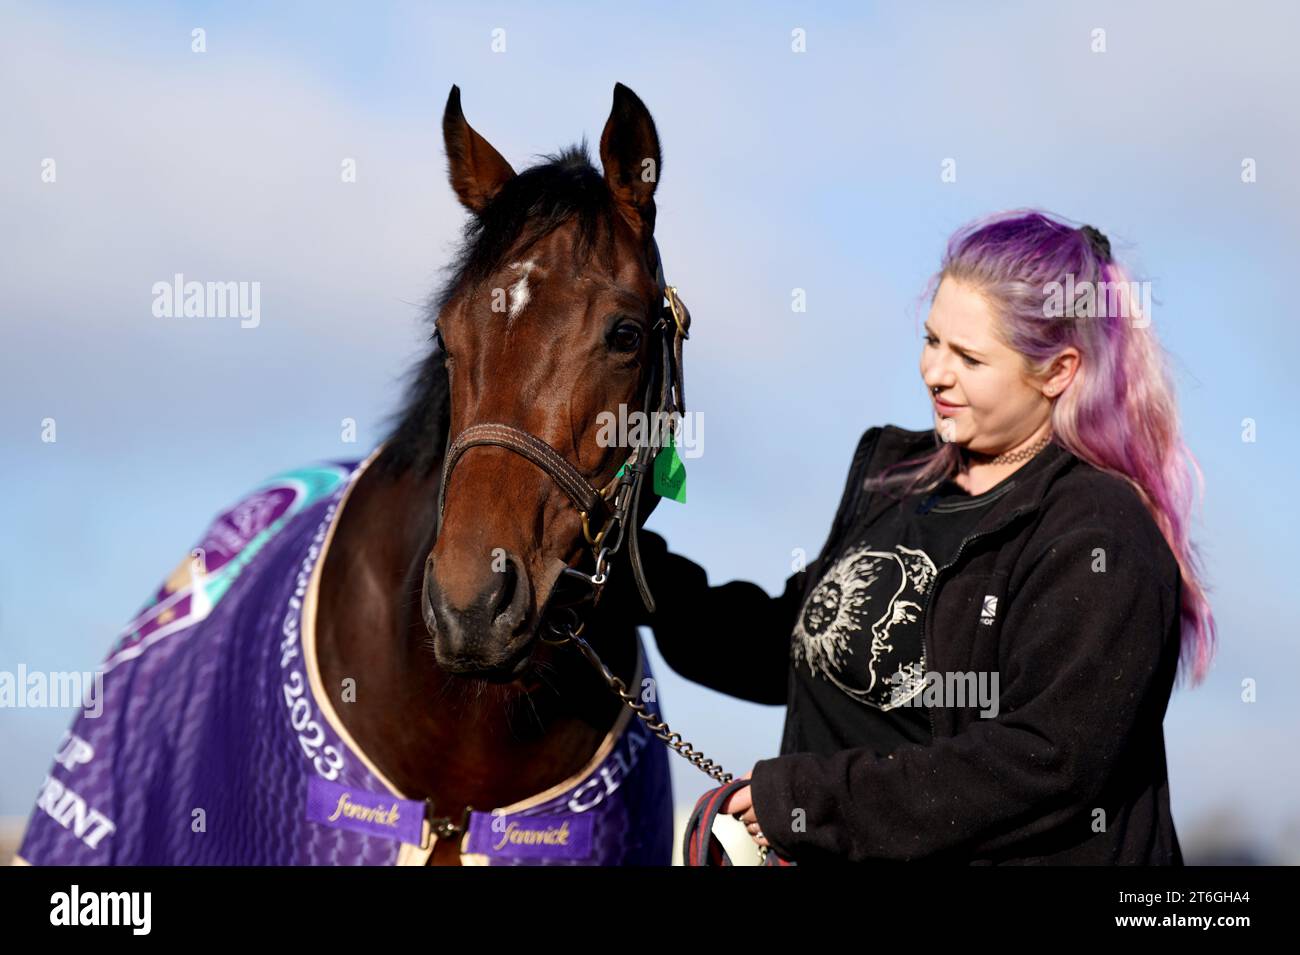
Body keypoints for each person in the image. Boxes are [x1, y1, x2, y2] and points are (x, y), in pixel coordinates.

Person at [629, 210, 1216, 864]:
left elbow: (1046, 764)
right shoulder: (896, 478)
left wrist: (806, 800)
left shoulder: (1101, 532)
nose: (934, 372)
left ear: (1057, 372)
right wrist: (633, 577)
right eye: (932, 339)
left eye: (968, 356)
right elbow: (789, 651)